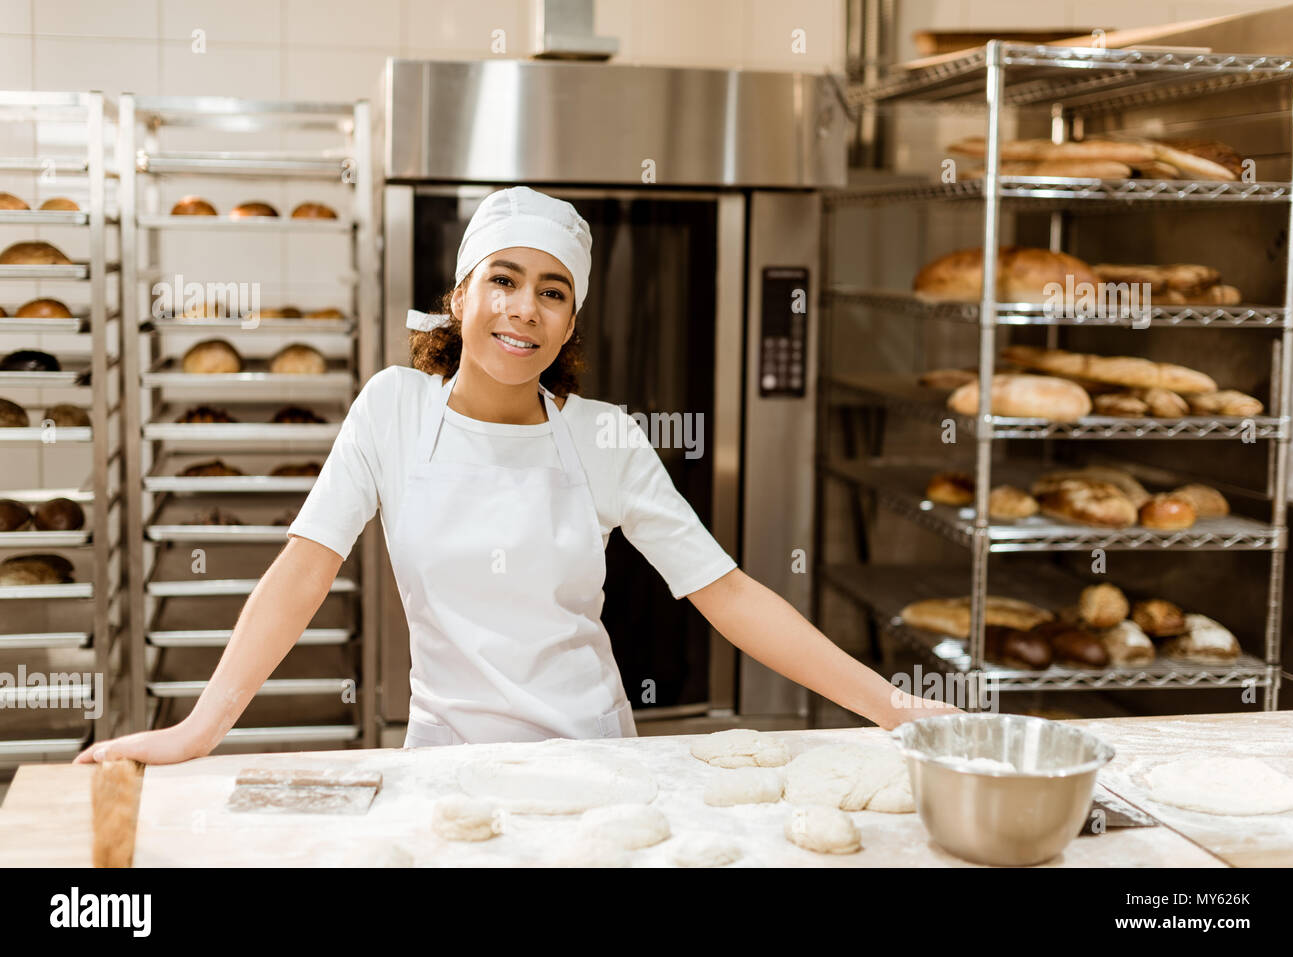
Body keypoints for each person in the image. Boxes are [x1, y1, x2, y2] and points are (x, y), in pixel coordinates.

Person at [77, 186, 959, 765]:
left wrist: (893, 708)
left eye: (551, 291)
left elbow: (724, 591)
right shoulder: (393, 409)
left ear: (570, 322)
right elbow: (302, 570)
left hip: (596, 761)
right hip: (446, 760)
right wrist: (199, 730)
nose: (522, 310)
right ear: (461, 297)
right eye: (503, 279)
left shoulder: (604, 438)